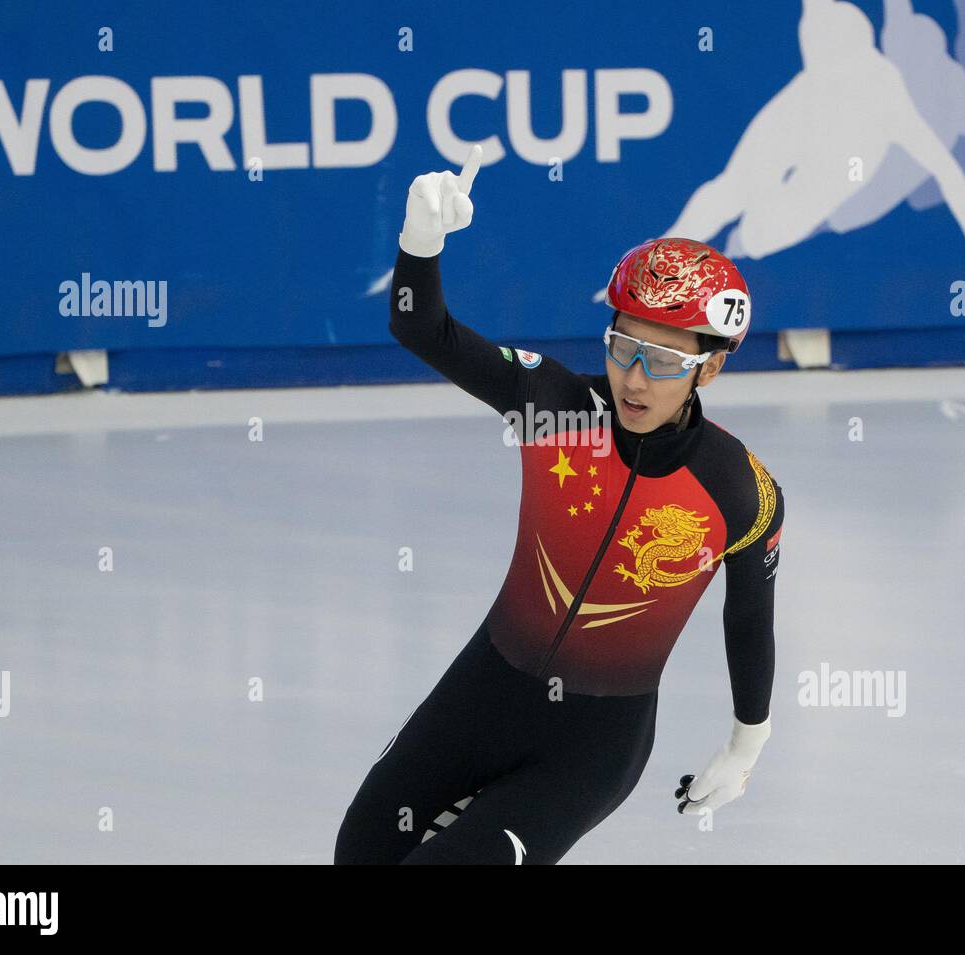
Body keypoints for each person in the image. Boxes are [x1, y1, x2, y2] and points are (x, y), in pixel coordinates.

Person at [333, 144, 785, 864]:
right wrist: (420, 242)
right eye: (623, 347)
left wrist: (745, 743)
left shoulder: (739, 490)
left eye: (665, 362)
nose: (635, 379)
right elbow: (422, 329)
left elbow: (749, 618)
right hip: (482, 693)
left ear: (714, 365)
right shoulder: (555, 406)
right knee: (362, 846)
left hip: (590, 747)